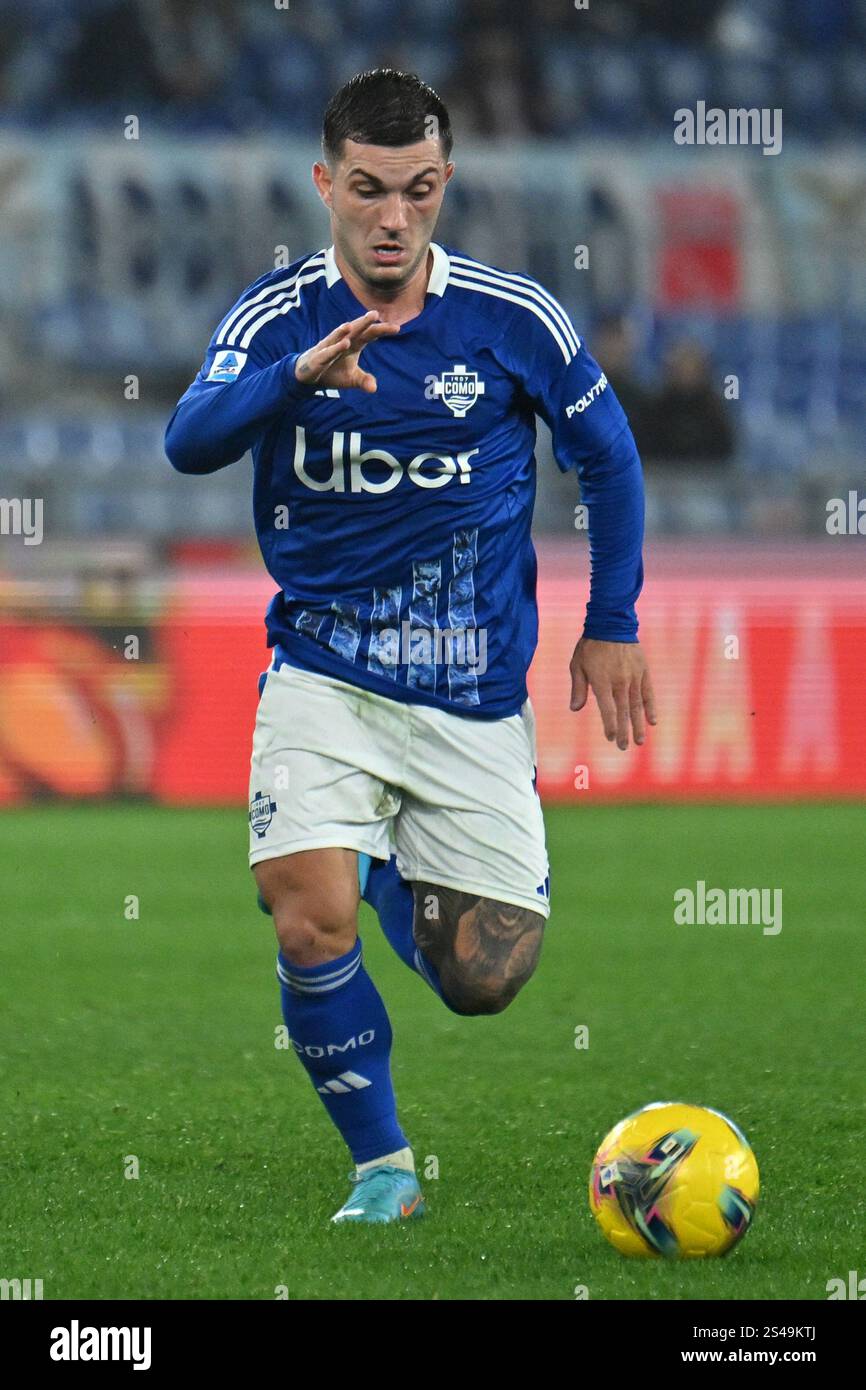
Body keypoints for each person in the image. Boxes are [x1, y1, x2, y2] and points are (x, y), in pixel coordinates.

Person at [165, 69, 655, 1225]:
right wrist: (291, 382)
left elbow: (611, 461)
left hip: (469, 695)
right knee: (303, 911)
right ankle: (382, 1168)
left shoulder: (511, 318)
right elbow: (188, 440)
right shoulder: (274, 319)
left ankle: (372, 862)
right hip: (322, 674)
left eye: (420, 192)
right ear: (326, 183)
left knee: (483, 976)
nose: (394, 218)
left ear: (446, 187)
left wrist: (612, 624)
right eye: (371, 191)